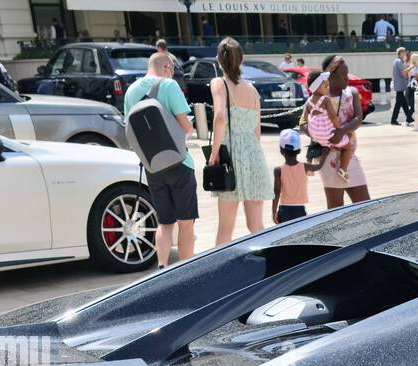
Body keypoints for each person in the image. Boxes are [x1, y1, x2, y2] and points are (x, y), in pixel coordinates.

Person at [124, 52, 196, 268]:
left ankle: (162, 266)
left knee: (164, 223)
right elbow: (186, 125)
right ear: (167, 68)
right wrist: (189, 129)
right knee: (185, 223)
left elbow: (129, 133)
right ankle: (186, 269)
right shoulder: (169, 85)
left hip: (152, 166)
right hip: (179, 163)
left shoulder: (130, 91)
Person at [209, 38, 269, 245]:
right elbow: (257, 130)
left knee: (226, 227)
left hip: (231, 158)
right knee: (256, 226)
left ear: (219, 59)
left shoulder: (219, 83)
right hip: (253, 154)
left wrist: (214, 153)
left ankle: (220, 272)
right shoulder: (252, 89)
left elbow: (220, 118)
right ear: (241, 60)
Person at [316, 55, 372, 207]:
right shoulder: (319, 97)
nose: (347, 78)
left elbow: (358, 118)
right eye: (343, 74)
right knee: (335, 209)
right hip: (329, 158)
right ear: (331, 76)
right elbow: (306, 123)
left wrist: (341, 131)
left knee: (364, 205)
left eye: (347, 73)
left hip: (349, 155)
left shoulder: (351, 92)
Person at [304, 72, 356, 179]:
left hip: (316, 136)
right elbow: (333, 117)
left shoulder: (308, 102)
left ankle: (310, 163)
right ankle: (343, 169)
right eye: (325, 86)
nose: (327, 88)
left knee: (325, 144)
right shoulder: (326, 100)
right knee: (348, 148)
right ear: (316, 87)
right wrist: (339, 129)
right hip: (328, 134)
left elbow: (305, 118)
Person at [272, 128, 309, 224]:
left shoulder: (278, 170)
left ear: (281, 150)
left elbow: (276, 192)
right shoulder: (305, 167)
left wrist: (273, 212)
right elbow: (319, 166)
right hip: (300, 210)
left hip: (284, 211)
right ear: (299, 150)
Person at [390, 47, 415, 125]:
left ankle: (409, 117)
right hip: (400, 85)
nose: (405, 55)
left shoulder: (396, 61)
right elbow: (403, 73)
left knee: (403, 103)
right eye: (404, 53)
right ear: (400, 54)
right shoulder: (399, 62)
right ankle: (393, 120)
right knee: (398, 103)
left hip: (399, 84)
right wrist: (411, 67)